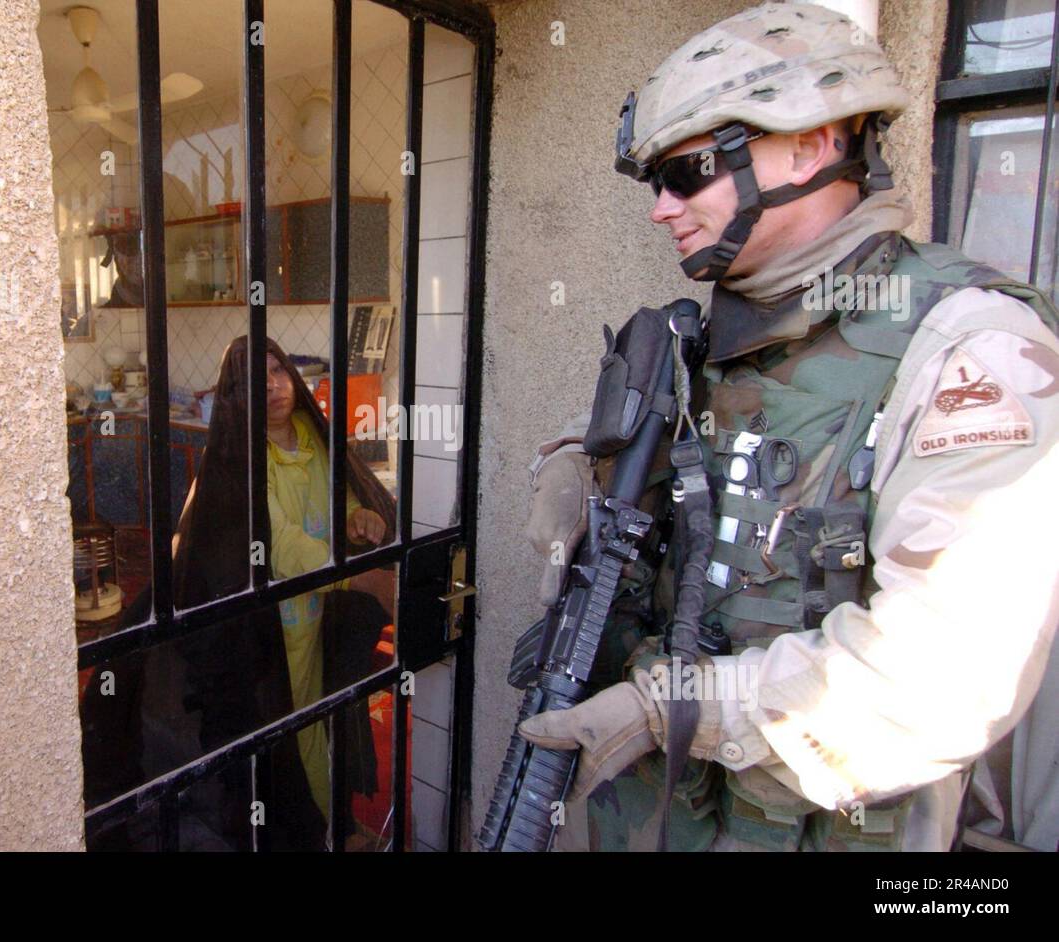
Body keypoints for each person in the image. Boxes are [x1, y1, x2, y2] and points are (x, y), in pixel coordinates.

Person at [518, 2, 1059, 851]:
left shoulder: (970, 349)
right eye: (655, 181)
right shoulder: (702, 344)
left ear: (811, 143)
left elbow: (944, 677)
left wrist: (673, 711)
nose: (662, 208)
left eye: (687, 171)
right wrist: (579, 481)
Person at [168, 334, 397, 849]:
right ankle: (301, 834)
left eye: (278, 370)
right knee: (277, 732)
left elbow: (331, 499)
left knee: (313, 722)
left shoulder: (311, 437)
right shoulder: (242, 458)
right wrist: (364, 579)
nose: (272, 386)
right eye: (256, 378)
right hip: (262, 627)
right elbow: (277, 540)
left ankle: (325, 828)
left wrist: (355, 516)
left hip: (312, 612)